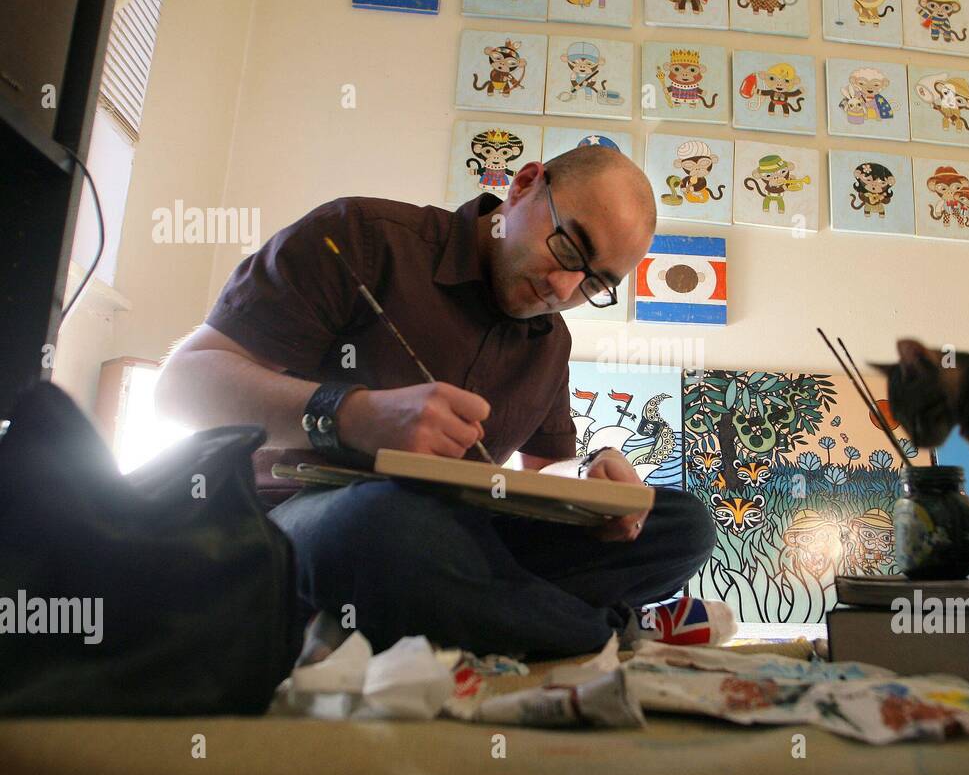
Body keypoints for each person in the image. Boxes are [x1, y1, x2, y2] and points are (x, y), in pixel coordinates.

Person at [156, 147, 724, 661]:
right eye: (568, 245)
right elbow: (181, 386)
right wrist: (351, 413)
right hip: (306, 521)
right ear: (525, 184)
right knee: (387, 524)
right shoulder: (359, 236)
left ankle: (508, 617)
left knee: (682, 525)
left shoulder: (551, 341)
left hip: (458, 542)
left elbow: (543, 470)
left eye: (593, 283)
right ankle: (610, 634)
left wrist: (595, 475)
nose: (562, 285)